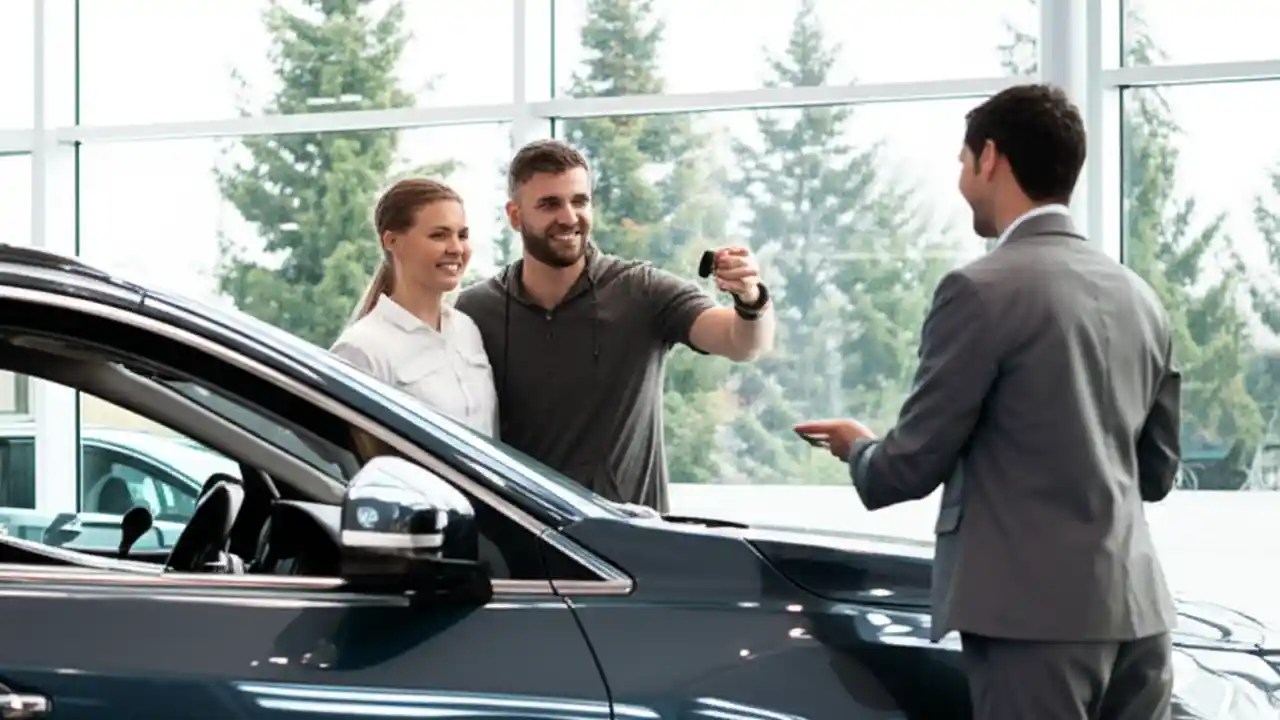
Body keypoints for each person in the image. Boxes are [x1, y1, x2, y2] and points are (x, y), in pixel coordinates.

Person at [795, 84, 1180, 719]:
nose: (961, 179)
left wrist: (857, 448)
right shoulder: (1140, 296)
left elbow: (908, 467)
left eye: (961, 161)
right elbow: (1157, 474)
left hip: (1032, 624)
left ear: (991, 158)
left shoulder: (979, 291)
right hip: (1141, 615)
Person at [456, 139, 776, 511]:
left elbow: (742, 343)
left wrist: (750, 297)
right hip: (524, 540)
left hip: (630, 546)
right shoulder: (477, 308)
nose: (569, 217)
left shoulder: (640, 290)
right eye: (549, 204)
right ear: (514, 215)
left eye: (579, 201)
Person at [331, 178, 498, 437]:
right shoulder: (361, 350)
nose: (456, 248)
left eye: (462, 235)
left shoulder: (467, 329)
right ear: (392, 242)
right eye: (439, 235)